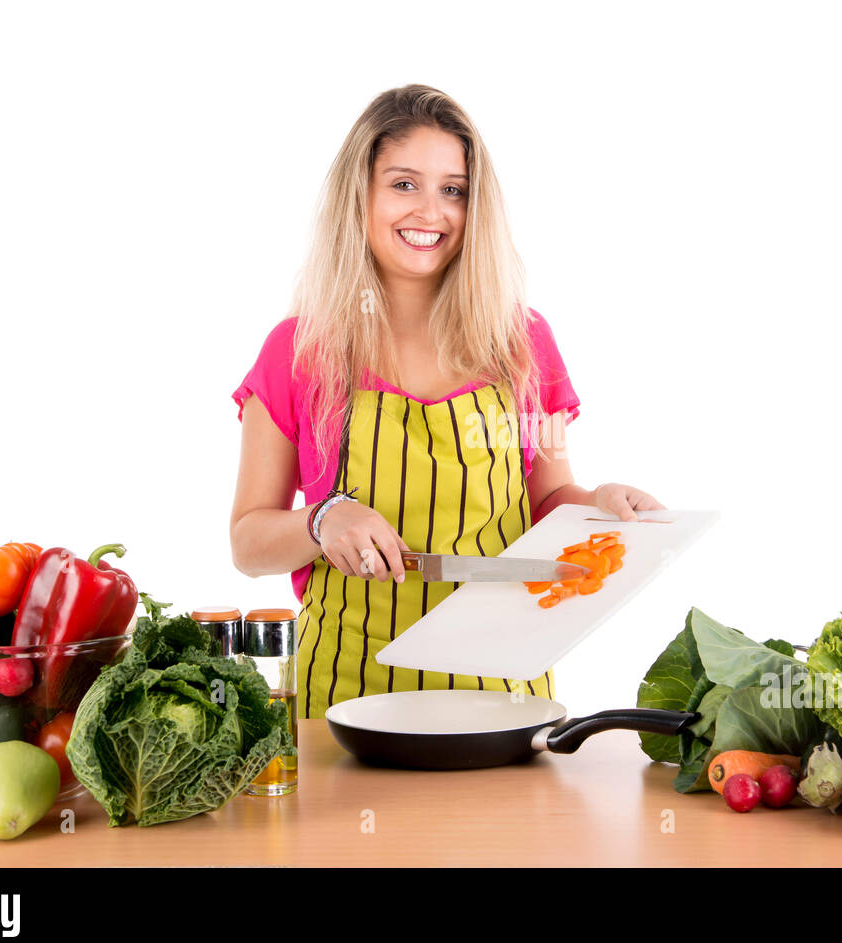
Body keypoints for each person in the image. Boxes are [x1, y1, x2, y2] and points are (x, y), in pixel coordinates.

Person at [230, 84, 666, 718]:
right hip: (344, 701)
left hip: (503, 693)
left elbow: (547, 498)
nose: (430, 211)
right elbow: (247, 543)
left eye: (453, 190)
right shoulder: (297, 352)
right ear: (360, 195)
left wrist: (597, 504)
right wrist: (322, 520)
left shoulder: (523, 344)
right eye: (404, 184)